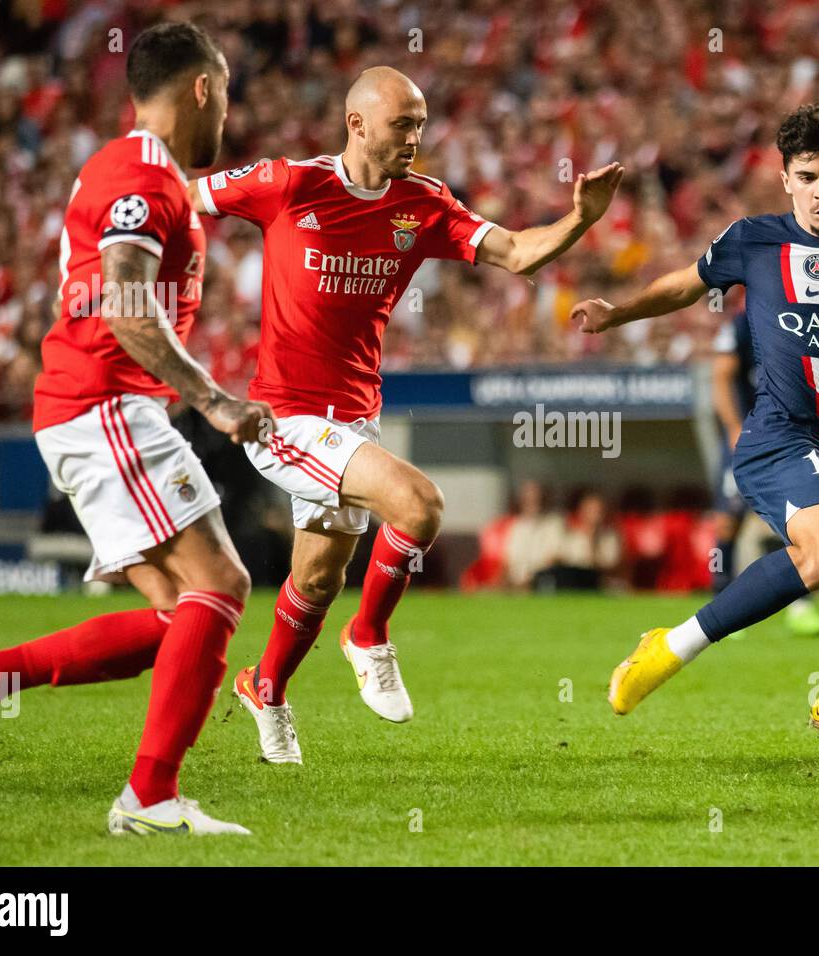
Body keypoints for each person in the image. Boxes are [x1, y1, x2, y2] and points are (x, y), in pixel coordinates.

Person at [192, 67, 623, 763]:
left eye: (420, 124)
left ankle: (263, 686)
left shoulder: (422, 202)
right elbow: (181, 197)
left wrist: (580, 218)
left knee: (318, 578)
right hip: (285, 418)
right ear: (356, 124)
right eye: (403, 124)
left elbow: (516, 253)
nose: (414, 138)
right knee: (419, 506)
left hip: (354, 417)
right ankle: (368, 635)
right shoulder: (289, 184)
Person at [0, 23, 271, 835]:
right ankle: (150, 796)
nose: (228, 109)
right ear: (201, 89)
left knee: (178, 614)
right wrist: (215, 400)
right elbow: (124, 301)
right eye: (224, 92)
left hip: (96, 405)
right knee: (221, 585)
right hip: (105, 403)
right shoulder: (144, 172)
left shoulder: (136, 170)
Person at [571, 103, 819, 741]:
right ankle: (669, 645)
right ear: (786, 178)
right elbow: (686, 284)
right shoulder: (753, 241)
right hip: (777, 441)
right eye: (810, 176)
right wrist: (616, 314)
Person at [710, 311, 819, 637]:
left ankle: (801, 607)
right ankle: (721, 600)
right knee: (728, 519)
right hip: (747, 433)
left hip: (785, 435)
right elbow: (720, 375)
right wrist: (733, 427)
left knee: (799, 517)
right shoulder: (741, 324)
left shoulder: (795, 318)